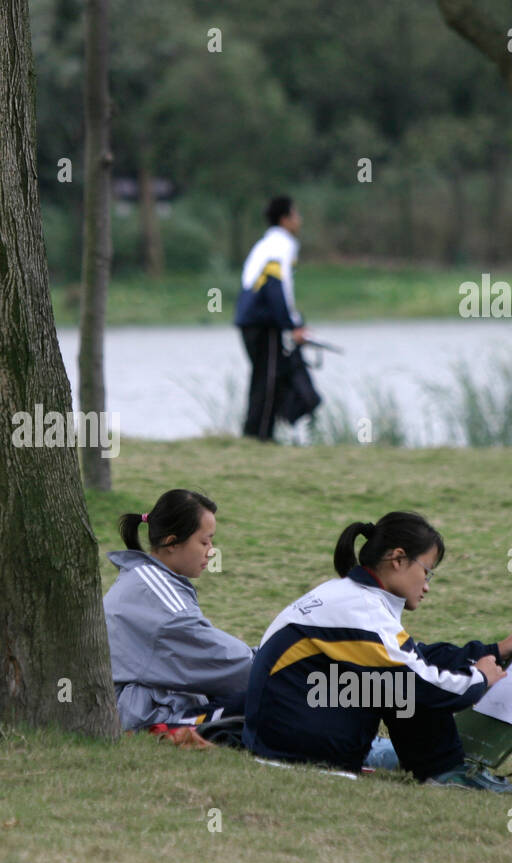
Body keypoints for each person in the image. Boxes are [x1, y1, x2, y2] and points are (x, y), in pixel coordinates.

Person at [243, 511, 512, 792]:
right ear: (397, 559)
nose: (427, 587)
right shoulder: (361, 609)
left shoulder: (351, 596)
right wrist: (480, 679)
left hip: (281, 737)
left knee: (400, 678)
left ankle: (443, 769)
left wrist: (493, 651)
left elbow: (415, 656)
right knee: (407, 686)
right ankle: (446, 773)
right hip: (293, 752)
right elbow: (420, 683)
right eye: (427, 572)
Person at [103, 489, 254, 742]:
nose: (211, 551)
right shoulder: (157, 595)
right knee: (259, 698)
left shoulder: (145, 577)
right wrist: (274, 663)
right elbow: (232, 666)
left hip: (140, 703)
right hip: (144, 716)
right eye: (204, 542)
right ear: (172, 543)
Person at [234, 195, 318, 441]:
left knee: (263, 377)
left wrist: (294, 322)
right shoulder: (281, 245)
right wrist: (292, 326)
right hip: (263, 322)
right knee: (268, 380)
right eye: (296, 215)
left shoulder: (266, 244)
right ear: (285, 219)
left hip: (253, 320)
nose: (299, 220)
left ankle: (256, 435)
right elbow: (275, 287)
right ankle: (260, 437)